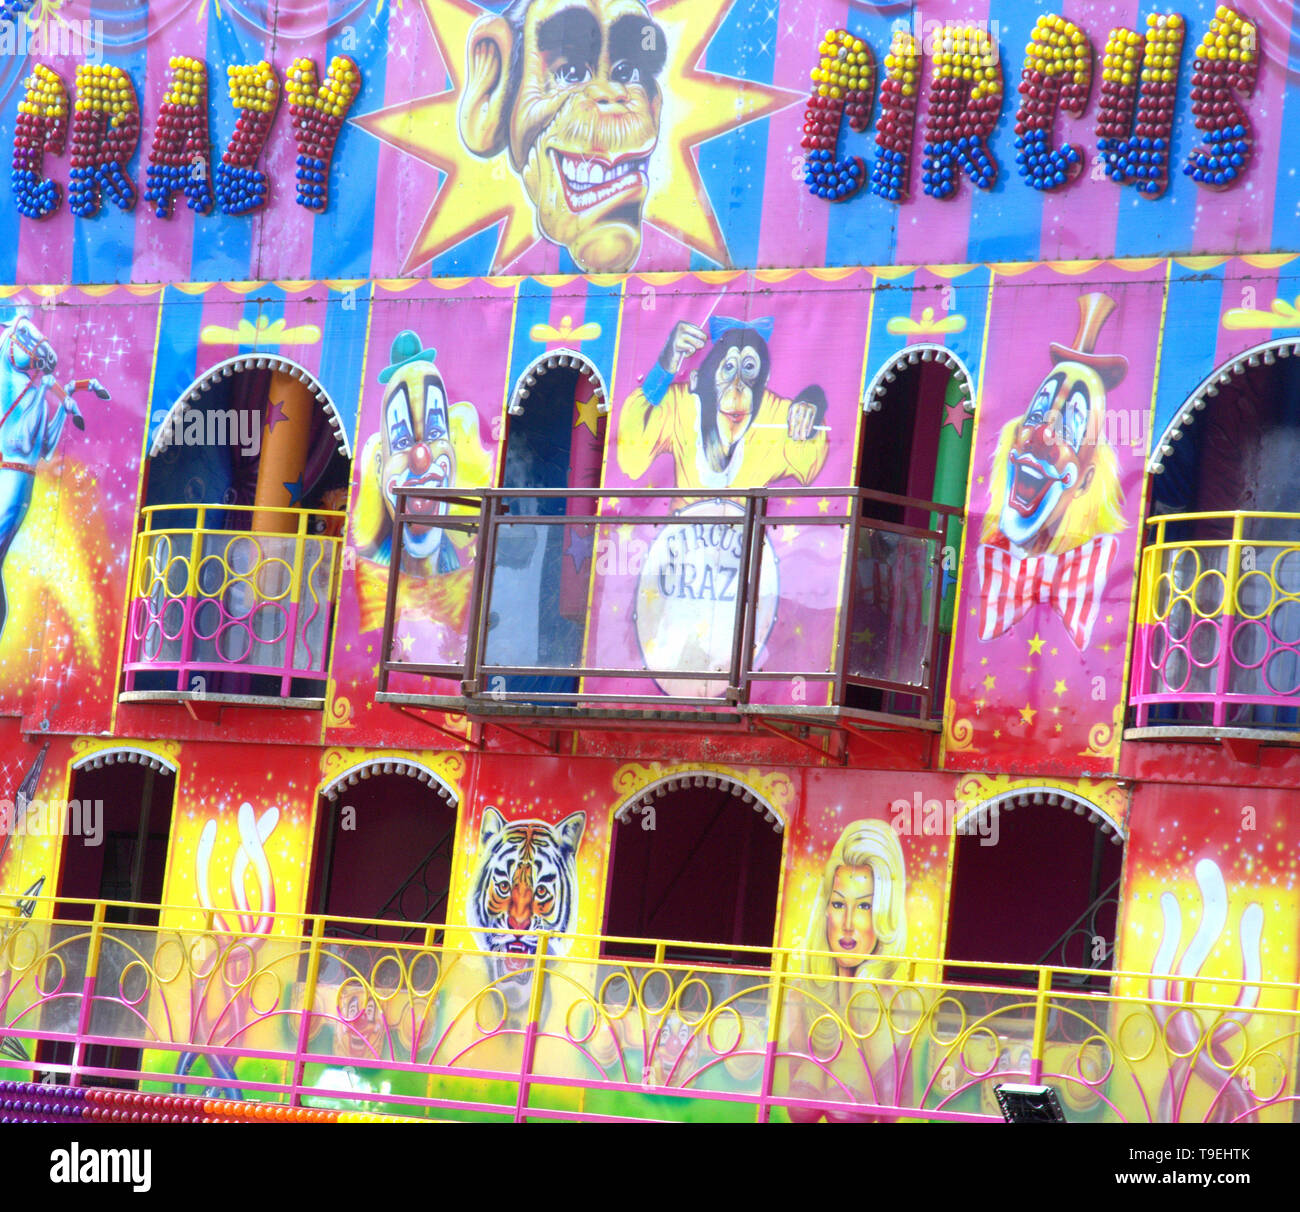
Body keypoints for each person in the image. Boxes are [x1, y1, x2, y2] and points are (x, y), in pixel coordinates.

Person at [785, 819, 909, 1122]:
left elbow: (895, 1113)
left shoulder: (886, 1004)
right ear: (826, 908)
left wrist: (865, 994)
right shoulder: (804, 993)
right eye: (840, 904)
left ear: (884, 914)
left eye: (865, 907)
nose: (849, 923)